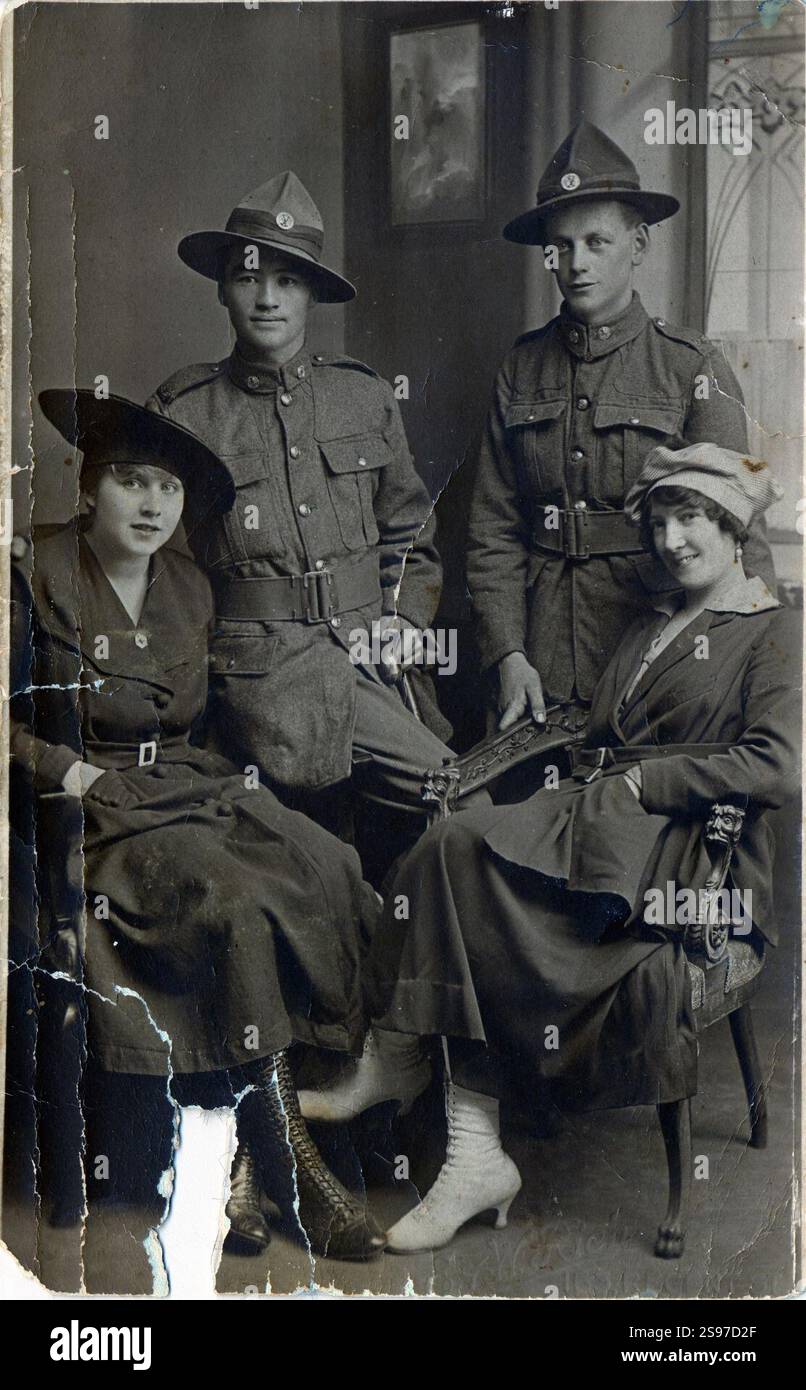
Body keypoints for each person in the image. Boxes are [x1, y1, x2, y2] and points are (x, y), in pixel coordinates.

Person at [300, 443, 799, 1253]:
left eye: (695, 521)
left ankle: (420, 1082)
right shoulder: (652, 620)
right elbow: (598, 733)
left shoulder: (772, 630)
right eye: (662, 522)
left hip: (687, 850)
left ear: (733, 528)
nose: (673, 540)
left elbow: (780, 763)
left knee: (458, 854)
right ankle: (448, 1119)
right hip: (603, 823)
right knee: (448, 845)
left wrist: (650, 787)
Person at [12, 389, 387, 1262]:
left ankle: (257, 1155)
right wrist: (60, 767)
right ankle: (279, 1157)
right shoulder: (32, 571)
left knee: (325, 863)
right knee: (232, 900)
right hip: (95, 809)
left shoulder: (190, 584)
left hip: (190, 785)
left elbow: (213, 718)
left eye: (168, 491)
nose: (151, 506)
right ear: (88, 484)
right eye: (131, 483)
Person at [146, 170, 459, 817]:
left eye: (287, 280)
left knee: (439, 811)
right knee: (439, 794)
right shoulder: (184, 413)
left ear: (312, 294)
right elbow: (151, 564)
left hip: (377, 656)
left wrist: (403, 622)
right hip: (259, 677)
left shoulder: (362, 394)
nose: (267, 298)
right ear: (221, 292)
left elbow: (411, 535)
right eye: (248, 276)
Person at [466, 120, 775, 735]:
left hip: (661, 648)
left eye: (597, 243)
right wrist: (508, 654)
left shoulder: (690, 366)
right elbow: (493, 531)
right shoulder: (522, 368)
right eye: (562, 246)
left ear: (638, 247)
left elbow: (740, 530)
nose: (577, 263)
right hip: (543, 659)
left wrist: (748, 667)